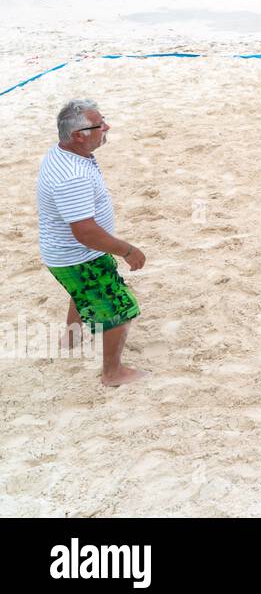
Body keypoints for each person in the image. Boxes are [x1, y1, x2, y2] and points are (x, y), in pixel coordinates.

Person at [36, 100, 149, 386]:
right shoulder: (72, 177)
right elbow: (85, 233)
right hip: (79, 254)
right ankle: (113, 373)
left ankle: (71, 337)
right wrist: (127, 250)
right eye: (99, 125)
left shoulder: (64, 152)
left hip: (67, 253)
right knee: (119, 310)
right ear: (78, 135)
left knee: (83, 291)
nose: (106, 127)